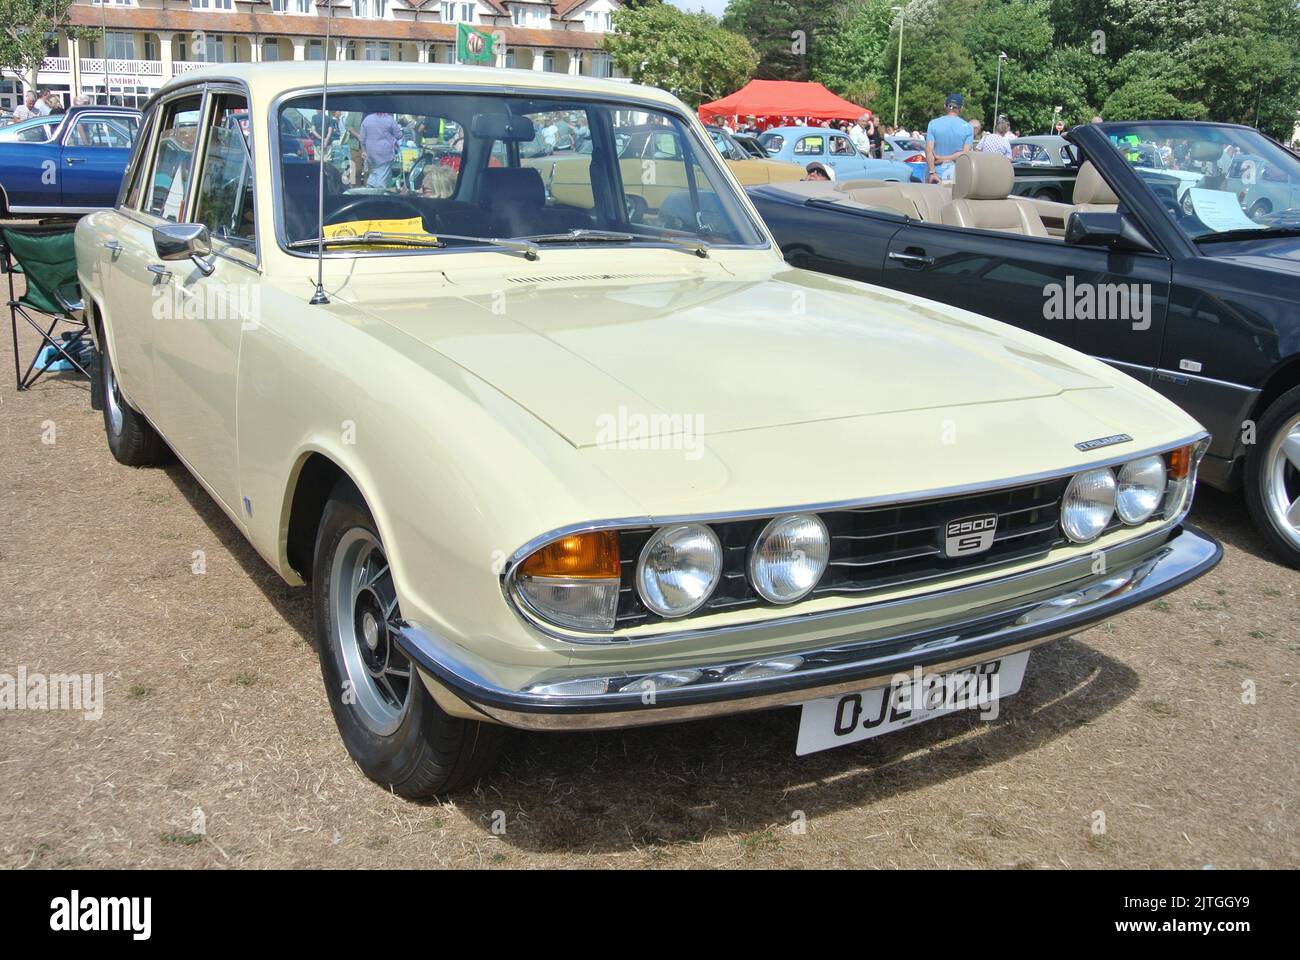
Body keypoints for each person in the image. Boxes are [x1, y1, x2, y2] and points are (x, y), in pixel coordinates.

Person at [924, 93, 973, 184]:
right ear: (961, 108)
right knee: (949, 197)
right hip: (953, 173)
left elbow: (928, 150)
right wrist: (944, 158)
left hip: (934, 172)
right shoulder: (968, 127)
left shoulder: (933, 123)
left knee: (930, 197)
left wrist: (932, 172)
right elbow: (965, 153)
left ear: (945, 106)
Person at [359, 109, 401, 189]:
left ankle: (370, 190)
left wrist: (364, 150)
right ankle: (379, 196)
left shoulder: (367, 119)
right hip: (384, 153)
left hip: (370, 154)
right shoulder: (389, 119)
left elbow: (362, 138)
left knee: (374, 174)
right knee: (382, 179)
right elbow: (398, 135)